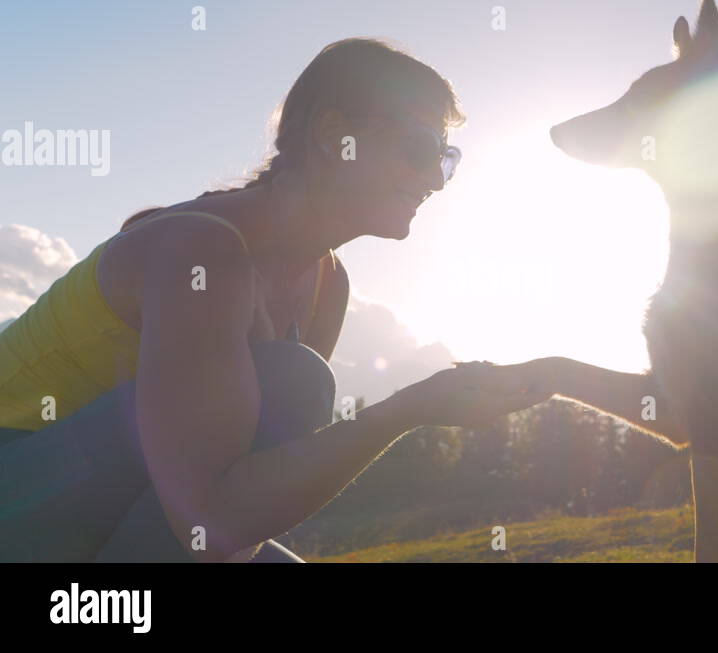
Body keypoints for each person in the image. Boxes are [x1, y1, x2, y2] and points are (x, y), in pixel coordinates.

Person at [0, 38, 554, 563]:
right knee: (293, 379)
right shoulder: (202, 250)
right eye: (420, 149)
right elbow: (210, 521)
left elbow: (244, 502)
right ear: (334, 135)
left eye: (447, 157)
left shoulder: (326, 286)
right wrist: (404, 412)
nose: (435, 178)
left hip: (101, 508)